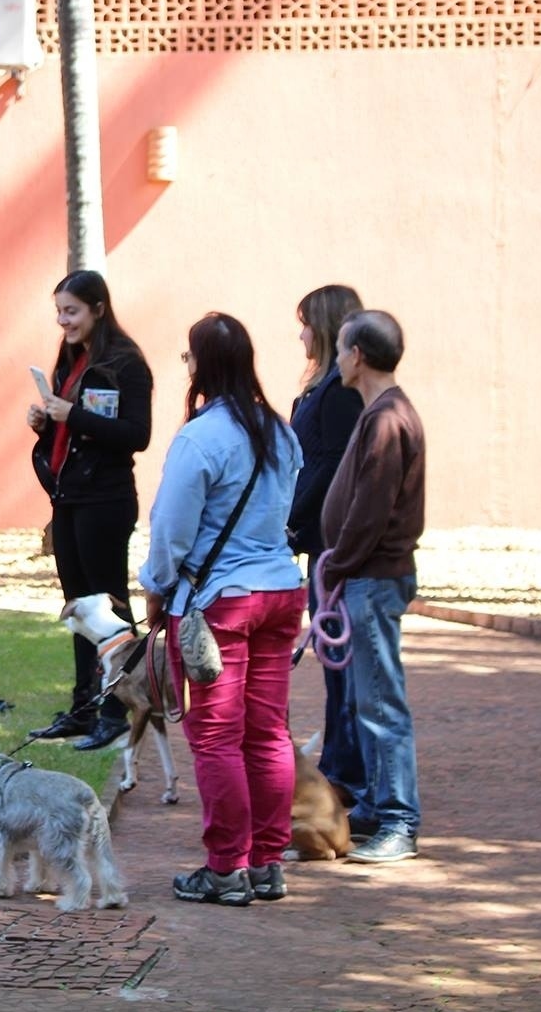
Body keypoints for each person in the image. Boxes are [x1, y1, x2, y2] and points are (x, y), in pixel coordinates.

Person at [139, 313, 306, 907]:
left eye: (188, 358)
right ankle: (266, 863)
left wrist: (156, 589)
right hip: (280, 593)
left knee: (215, 738)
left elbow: (170, 529)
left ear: (201, 365)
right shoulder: (281, 432)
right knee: (266, 735)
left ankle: (226, 867)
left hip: (217, 604)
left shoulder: (201, 437)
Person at [25, 270, 153, 751]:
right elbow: (74, 431)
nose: (64, 321)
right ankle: (83, 705)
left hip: (106, 498)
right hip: (70, 495)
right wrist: (45, 423)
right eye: (59, 311)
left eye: (72, 311)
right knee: (79, 608)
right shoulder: (73, 357)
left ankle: (117, 707)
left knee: (109, 606)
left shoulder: (126, 363)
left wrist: (70, 415)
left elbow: (135, 435)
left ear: (98, 308)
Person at [319, 309, 425, 865]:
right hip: (365, 576)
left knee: (382, 703)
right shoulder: (381, 412)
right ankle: (375, 807)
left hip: (372, 578)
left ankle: (398, 821)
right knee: (367, 699)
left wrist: (338, 564)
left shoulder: (386, 418)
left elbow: (371, 509)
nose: (336, 358)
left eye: (340, 348)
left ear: (358, 355)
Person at [286, 285, 366, 806]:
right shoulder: (323, 383)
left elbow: (329, 465)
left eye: (306, 323)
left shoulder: (338, 391)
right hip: (317, 537)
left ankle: (350, 772)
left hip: (328, 537)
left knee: (342, 659)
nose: (301, 334)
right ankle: (338, 762)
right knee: (330, 657)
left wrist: (292, 521)